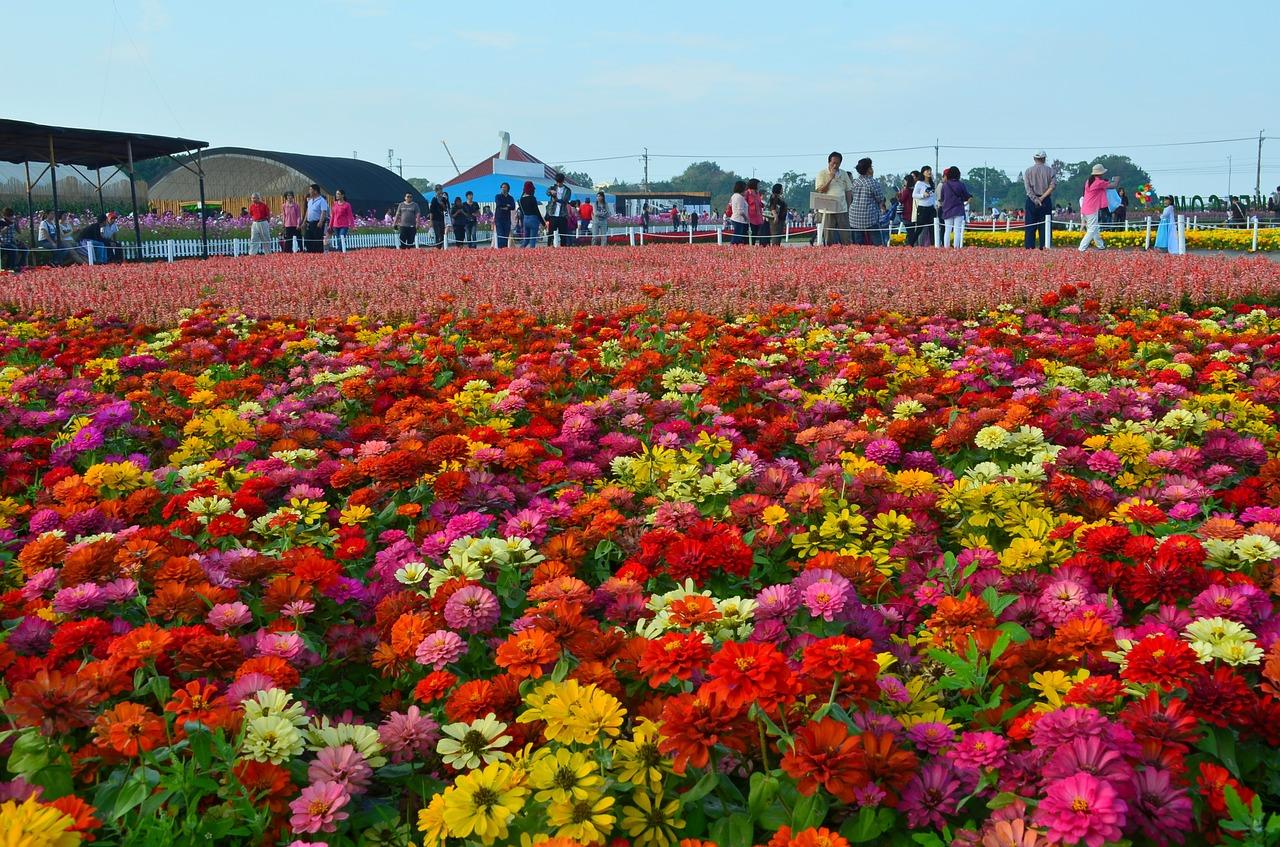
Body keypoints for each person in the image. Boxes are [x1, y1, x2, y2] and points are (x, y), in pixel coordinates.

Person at [815, 151, 854, 245]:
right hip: (827, 209)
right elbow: (820, 190)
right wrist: (830, 177)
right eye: (833, 163)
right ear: (829, 162)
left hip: (842, 209)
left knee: (846, 236)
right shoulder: (822, 173)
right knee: (829, 237)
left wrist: (848, 206)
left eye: (838, 163)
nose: (835, 165)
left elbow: (848, 190)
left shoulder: (844, 173)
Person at [1078, 164, 1118, 252]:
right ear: (1100, 173)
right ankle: (1081, 248)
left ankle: (1100, 245)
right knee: (1092, 229)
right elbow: (1114, 185)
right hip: (1092, 209)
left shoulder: (1089, 181)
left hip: (1085, 208)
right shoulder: (1099, 182)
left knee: (1094, 228)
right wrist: (1116, 179)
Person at [848, 158, 885, 246]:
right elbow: (880, 198)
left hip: (854, 216)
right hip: (870, 216)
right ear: (869, 169)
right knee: (877, 242)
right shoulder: (873, 183)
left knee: (858, 243)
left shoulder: (855, 182)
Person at [1023, 151, 1055, 249]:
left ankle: (1029, 247)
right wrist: (1042, 198)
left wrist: (1035, 199)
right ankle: (1045, 246)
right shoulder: (1050, 171)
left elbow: (1028, 189)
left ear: (1034, 159)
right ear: (1044, 159)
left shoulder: (1028, 171)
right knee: (1045, 225)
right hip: (1045, 200)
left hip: (1032, 201)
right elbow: (1052, 187)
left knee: (1030, 225)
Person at [939, 166, 972, 249]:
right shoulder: (961, 184)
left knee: (947, 230)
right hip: (958, 210)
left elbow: (942, 198)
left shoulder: (945, 185)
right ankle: (956, 248)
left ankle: (946, 248)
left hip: (947, 210)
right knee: (957, 231)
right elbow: (966, 196)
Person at [913, 166, 937, 247]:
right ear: (923, 172)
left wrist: (934, 206)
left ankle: (933, 246)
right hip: (922, 208)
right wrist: (923, 195)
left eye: (930, 170)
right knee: (919, 228)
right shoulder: (919, 183)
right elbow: (914, 195)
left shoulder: (931, 183)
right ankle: (911, 244)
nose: (929, 172)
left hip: (931, 208)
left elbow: (933, 196)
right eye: (927, 171)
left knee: (932, 229)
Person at [546, 173, 571, 245]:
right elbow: (547, 192)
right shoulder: (553, 187)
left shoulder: (567, 190)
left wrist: (556, 200)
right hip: (552, 214)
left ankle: (563, 250)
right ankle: (549, 248)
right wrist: (551, 191)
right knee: (550, 235)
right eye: (557, 182)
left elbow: (565, 200)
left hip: (562, 215)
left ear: (563, 181)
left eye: (559, 182)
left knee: (563, 236)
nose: (558, 184)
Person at [303, 184, 329, 253]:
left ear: (315, 191)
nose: (309, 191)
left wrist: (320, 222)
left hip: (317, 222)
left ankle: (318, 253)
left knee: (317, 239)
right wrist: (304, 222)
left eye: (310, 190)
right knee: (307, 238)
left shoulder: (322, 200)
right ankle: (310, 252)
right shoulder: (310, 201)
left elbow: (323, 212)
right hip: (309, 222)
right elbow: (308, 211)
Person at [518, 181, 543, 248]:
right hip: (533, 219)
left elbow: (522, 211)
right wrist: (543, 223)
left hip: (525, 219)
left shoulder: (521, 199)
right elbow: (537, 211)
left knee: (526, 240)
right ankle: (532, 255)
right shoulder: (532, 198)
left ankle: (519, 251)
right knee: (533, 240)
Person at [745, 178, 767, 245]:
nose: (759, 186)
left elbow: (759, 203)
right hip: (750, 218)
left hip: (758, 217)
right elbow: (745, 204)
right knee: (751, 235)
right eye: (758, 184)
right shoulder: (747, 193)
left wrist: (763, 205)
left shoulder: (757, 193)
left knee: (758, 234)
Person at [494, 183, 515, 247]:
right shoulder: (498, 196)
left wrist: (506, 207)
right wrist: (507, 205)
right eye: (502, 187)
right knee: (500, 235)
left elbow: (513, 207)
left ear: (508, 188)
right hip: (499, 219)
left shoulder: (510, 198)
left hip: (507, 219)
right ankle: (500, 249)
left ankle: (504, 249)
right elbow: (499, 204)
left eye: (505, 187)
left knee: (506, 235)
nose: (503, 188)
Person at [728, 180, 749, 244]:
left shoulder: (734, 196)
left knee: (738, 236)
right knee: (737, 236)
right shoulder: (740, 197)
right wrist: (746, 218)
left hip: (736, 219)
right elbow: (740, 211)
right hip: (739, 219)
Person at [899, 173, 917, 246]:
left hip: (907, 213)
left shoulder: (906, 191)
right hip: (913, 213)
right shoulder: (914, 189)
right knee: (912, 231)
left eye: (905, 181)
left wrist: (900, 193)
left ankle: (910, 245)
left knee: (909, 232)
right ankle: (912, 244)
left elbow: (901, 200)